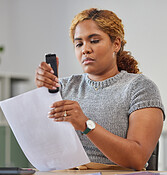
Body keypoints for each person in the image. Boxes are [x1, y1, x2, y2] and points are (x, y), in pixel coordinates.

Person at [35, 8, 165, 170]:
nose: (85, 49)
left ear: (116, 44)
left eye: (94, 41)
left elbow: (137, 158)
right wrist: (42, 96)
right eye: (79, 44)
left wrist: (86, 124)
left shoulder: (140, 88)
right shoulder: (63, 87)